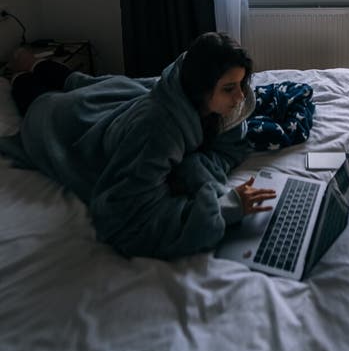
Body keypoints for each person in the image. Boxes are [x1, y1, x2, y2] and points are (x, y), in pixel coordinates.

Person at [0, 32, 276, 260]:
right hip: (64, 121)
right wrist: (224, 208)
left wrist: (193, 166)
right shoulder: (157, 132)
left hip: (116, 101)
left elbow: (229, 146)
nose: (240, 97)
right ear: (201, 88)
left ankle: (35, 64)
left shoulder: (214, 102)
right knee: (40, 100)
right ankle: (18, 74)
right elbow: (128, 222)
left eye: (241, 84)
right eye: (229, 88)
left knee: (79, 82)